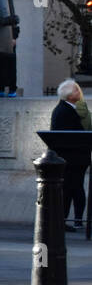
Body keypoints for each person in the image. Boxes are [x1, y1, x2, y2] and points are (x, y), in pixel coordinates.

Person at [51, 79, 90, 231]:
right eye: (75, 90)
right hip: (72, 158)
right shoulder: (64, 111)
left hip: (77, 158)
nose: (79, 92)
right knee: (70, 189)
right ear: (68, 95)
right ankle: (68, 219)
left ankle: (75, 219)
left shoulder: (73, 109)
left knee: (74, 188)